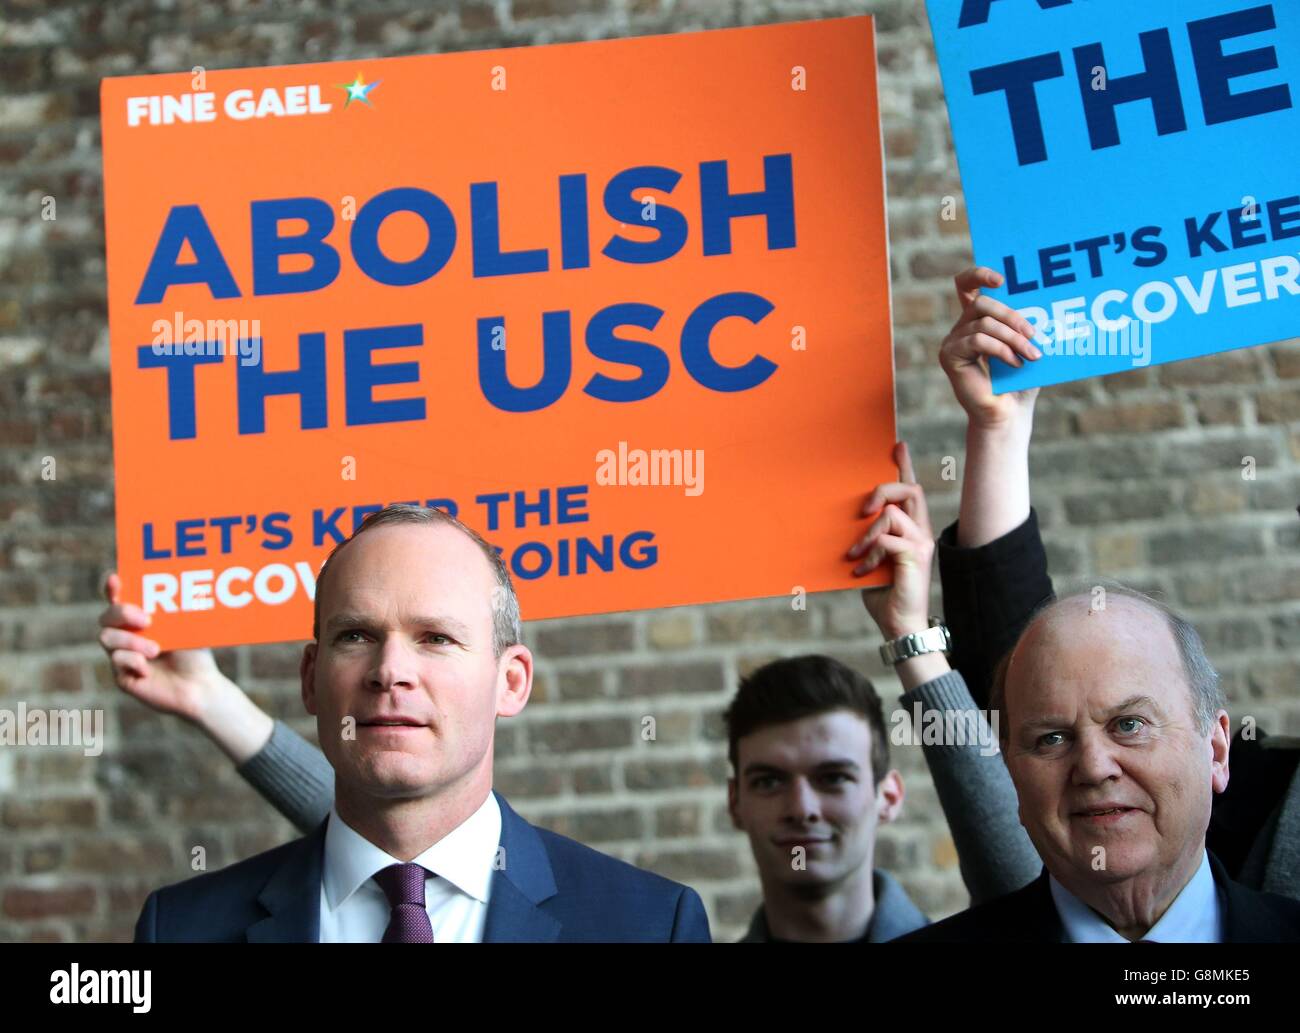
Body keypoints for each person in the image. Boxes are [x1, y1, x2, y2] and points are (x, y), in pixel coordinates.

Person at [897, 268, 1300, 942]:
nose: (1095, 766)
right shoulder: (1243, 794)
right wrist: (998, 428)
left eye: (1132, 727)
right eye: (1054, 741)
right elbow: (1033, 668)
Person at [108, 506, 710, 942]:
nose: (390, 670)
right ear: (310, 676)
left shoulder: (651, 926)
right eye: (357, 635)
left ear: (512, 681)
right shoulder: (180, 930)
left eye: (436, 638)